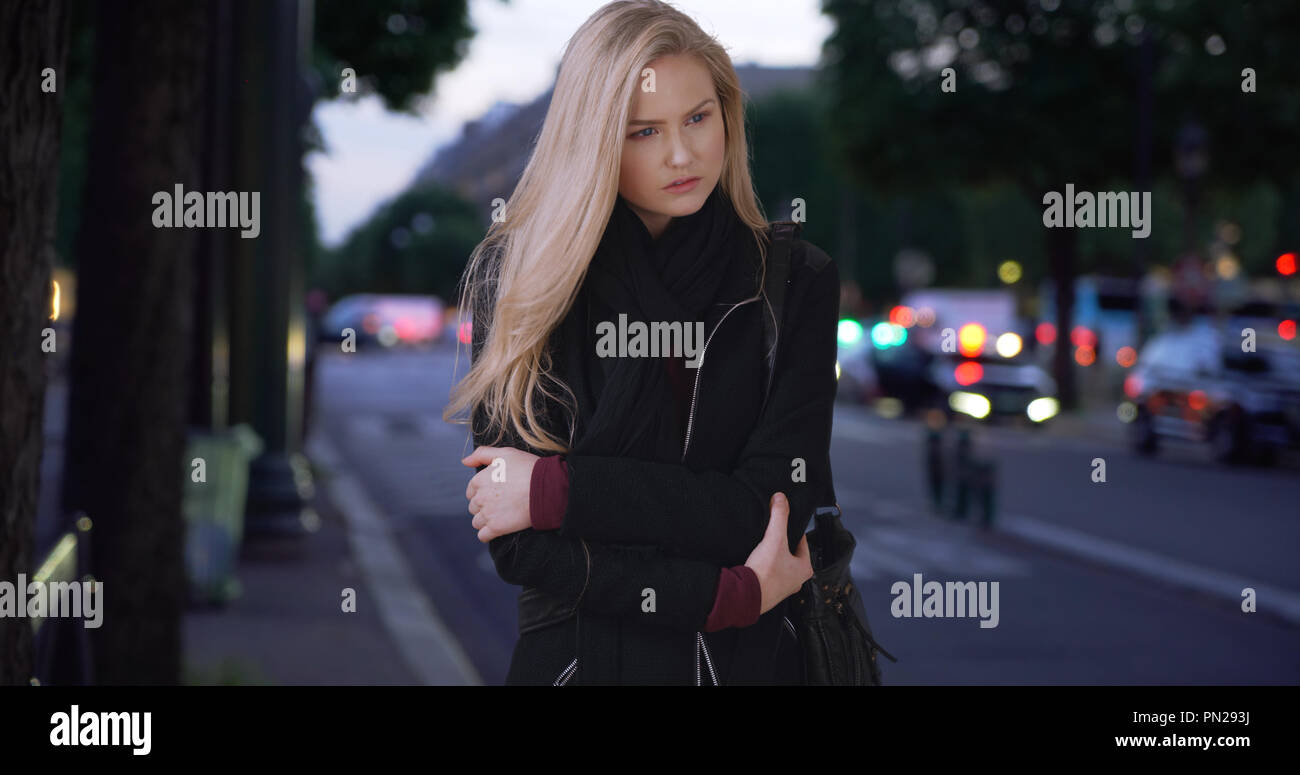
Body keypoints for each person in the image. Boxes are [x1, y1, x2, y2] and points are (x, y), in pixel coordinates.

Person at [444, 0, 840, 685]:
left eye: (698, 118)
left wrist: (554, 488)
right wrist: (727, 596)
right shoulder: (522, 279)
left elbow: (765, 511)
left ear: (727, 114)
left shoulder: (795, 283)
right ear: (593, 141)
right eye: (643, 132)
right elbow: (518, 546)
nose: (681, 154)